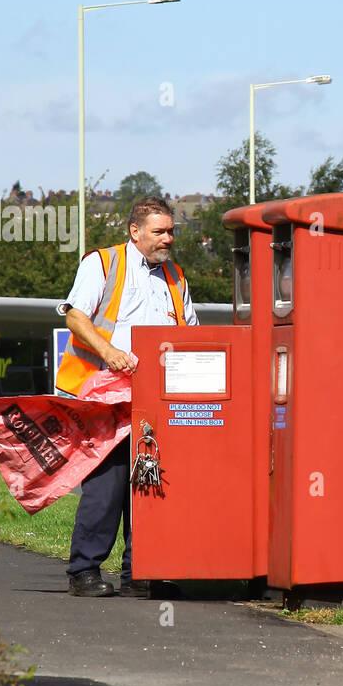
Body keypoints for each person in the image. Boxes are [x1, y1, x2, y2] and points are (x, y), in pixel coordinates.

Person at [56, 196, 198, 597]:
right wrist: (110, 353)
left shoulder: (176, 276)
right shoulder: (101, 263)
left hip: (155, 399)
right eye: (159, 231)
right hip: (103, 394)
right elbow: (75, 316)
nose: (168, 238)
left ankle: (141, 573)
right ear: (135, 232)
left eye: (171, 231)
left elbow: (188, 333)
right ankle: (84, 572)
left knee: (149, 482)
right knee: (108, 485)